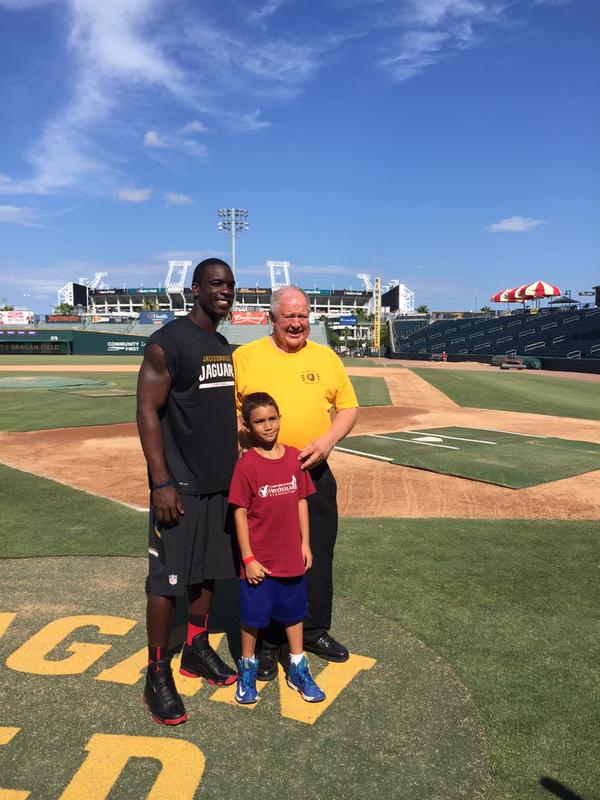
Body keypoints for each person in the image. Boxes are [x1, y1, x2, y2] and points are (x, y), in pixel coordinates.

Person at [233, 286, 358, 680]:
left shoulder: (326, 357)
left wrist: (327, 441)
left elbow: (348, 408)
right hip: (264, 479)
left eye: (303, 315)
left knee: (316, 552)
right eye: (289, 316)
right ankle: (269, 642)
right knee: (268, 555)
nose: (297, 323)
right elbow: (231, 412)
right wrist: (245, 447)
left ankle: (315, 630)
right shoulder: (246, 357)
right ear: (272, 318)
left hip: (312, 471)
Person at [136, 258, 238, 726]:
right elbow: (147, 411)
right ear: (195, 288)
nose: (225, 291)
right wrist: (160, 482)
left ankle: (196, 648)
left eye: (230, 285)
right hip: (178, 486)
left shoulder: (221, 344)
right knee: (166, 581)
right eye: (216, 284)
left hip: (220, 484)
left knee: (208, 573)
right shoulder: (168, 342)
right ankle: (157, 672)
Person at [229, 392, 326, 704]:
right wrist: (248, 558)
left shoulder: (295, 459)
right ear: (247, 427)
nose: (268, 426)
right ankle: (247, 668)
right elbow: (239, 513)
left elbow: (301, 503)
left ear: (280, 419)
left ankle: (298, 667)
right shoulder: (246, 465)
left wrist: (305, 544)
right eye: (259, 422)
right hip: (259, 561)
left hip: (290, 556)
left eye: (272, 419)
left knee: (294, 613)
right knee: (252, 617)